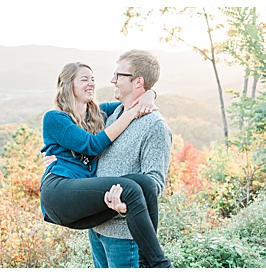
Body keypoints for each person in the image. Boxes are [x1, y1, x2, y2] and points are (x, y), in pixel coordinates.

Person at [38, 61, 171, 268]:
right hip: (59, 191)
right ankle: (160, 265)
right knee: (129, 189)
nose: (92, 83)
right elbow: (92, 145)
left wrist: (150, 94)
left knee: (144, 184)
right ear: (68, 84)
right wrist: (131, 114)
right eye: (84, 79)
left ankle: (146, 262)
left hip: (87, 198)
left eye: (93, 79)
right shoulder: (55, 118)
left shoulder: (100, 113)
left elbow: (129, 102)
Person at [87, 50, 173, 268]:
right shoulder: (114, 114)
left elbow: (155, 183)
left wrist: (125, 202)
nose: (112, 80)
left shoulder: (154, 126)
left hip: (125, 236)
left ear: (138, 82)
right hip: (97, 227)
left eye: (118, 75)